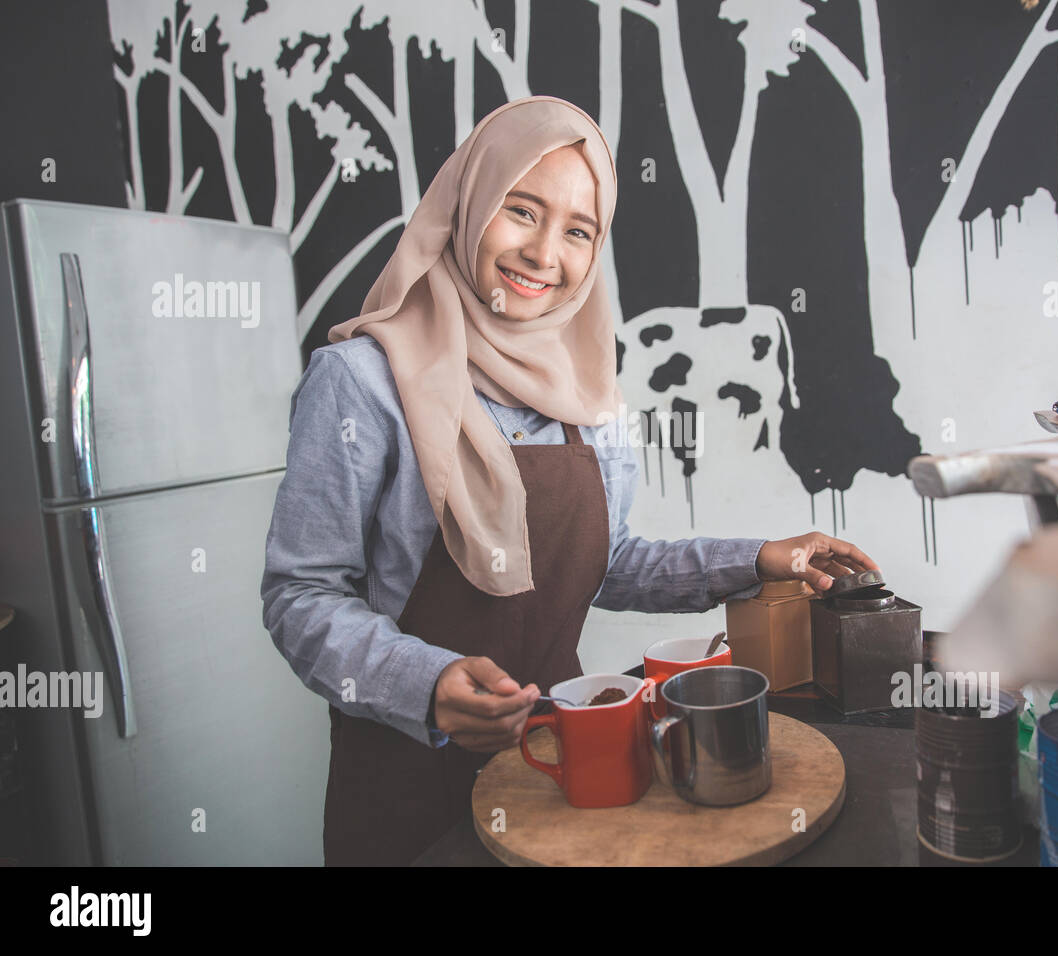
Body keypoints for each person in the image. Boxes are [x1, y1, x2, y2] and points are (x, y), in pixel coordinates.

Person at [260, 95, 879, 866]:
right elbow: (300, 594)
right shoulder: (360, 382)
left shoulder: (588, 399)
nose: (544, 253)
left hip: (560, 777)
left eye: (578, 230)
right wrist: (427, 683)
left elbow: (612, 563)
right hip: (404, 789)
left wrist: (758, 559)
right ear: (469, 204)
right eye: (521, 211)